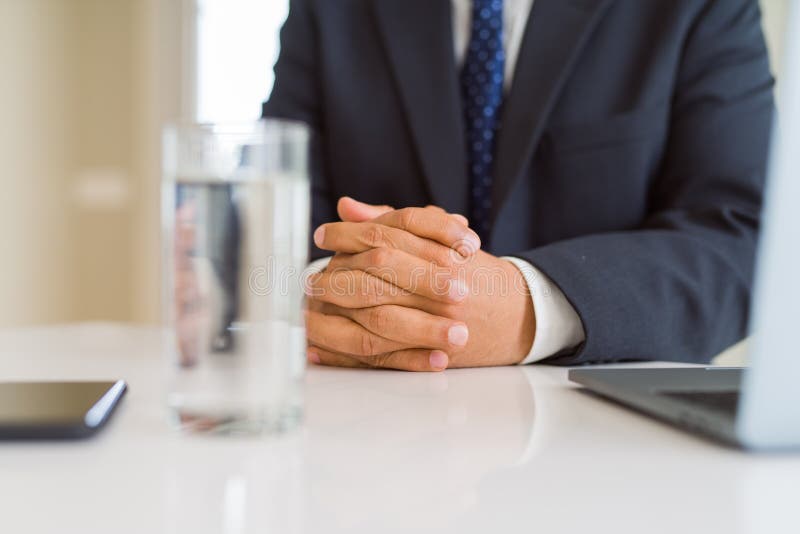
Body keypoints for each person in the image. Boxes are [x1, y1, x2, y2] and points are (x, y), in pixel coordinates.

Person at [263, 0, 775, 372]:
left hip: (608, 455)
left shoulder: (703, 9)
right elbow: (272, 218)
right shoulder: (328, 11)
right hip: (370, 439)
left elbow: (743, 239)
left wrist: (528, 306)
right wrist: (337, 294)